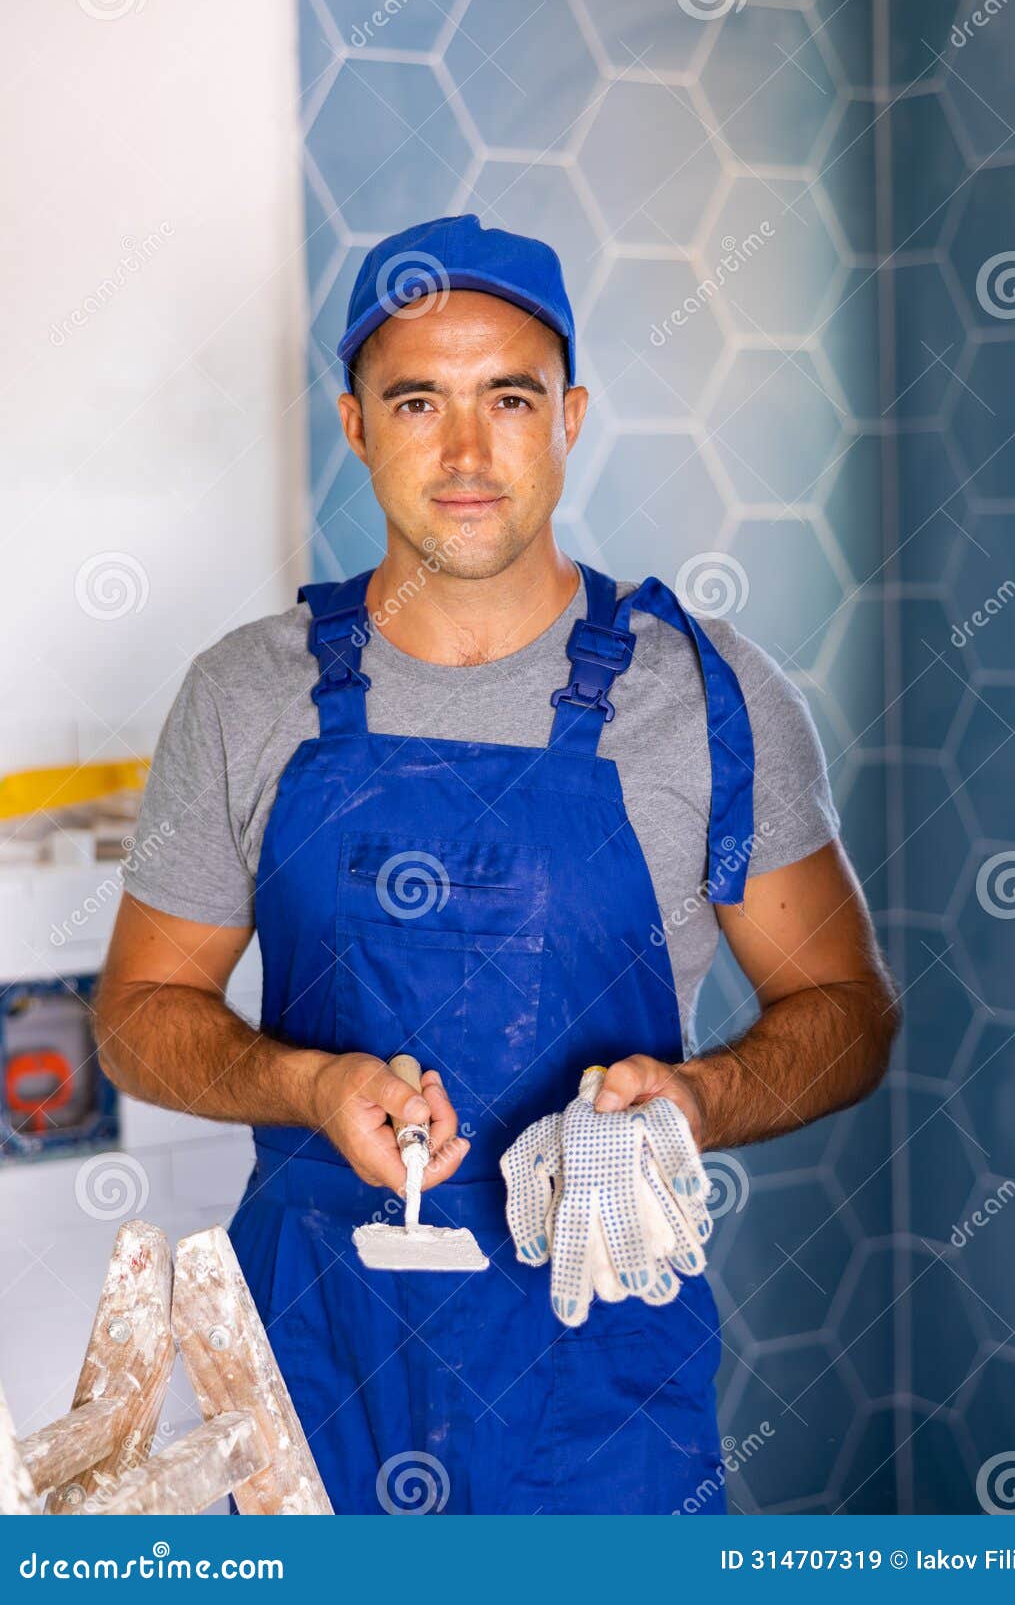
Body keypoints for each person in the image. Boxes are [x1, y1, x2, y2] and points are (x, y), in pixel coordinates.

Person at [94, 213, 899, 1515]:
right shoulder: (249, 693)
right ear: (355, 427)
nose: (466, 453)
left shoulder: (706, 697)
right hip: (310, 1374)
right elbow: (133, 1019)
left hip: (593, 1385)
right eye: (417, 400)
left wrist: (690, 1104)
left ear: (568, 417)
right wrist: (304, 1083)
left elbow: (849, 1016)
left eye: (507, 399)